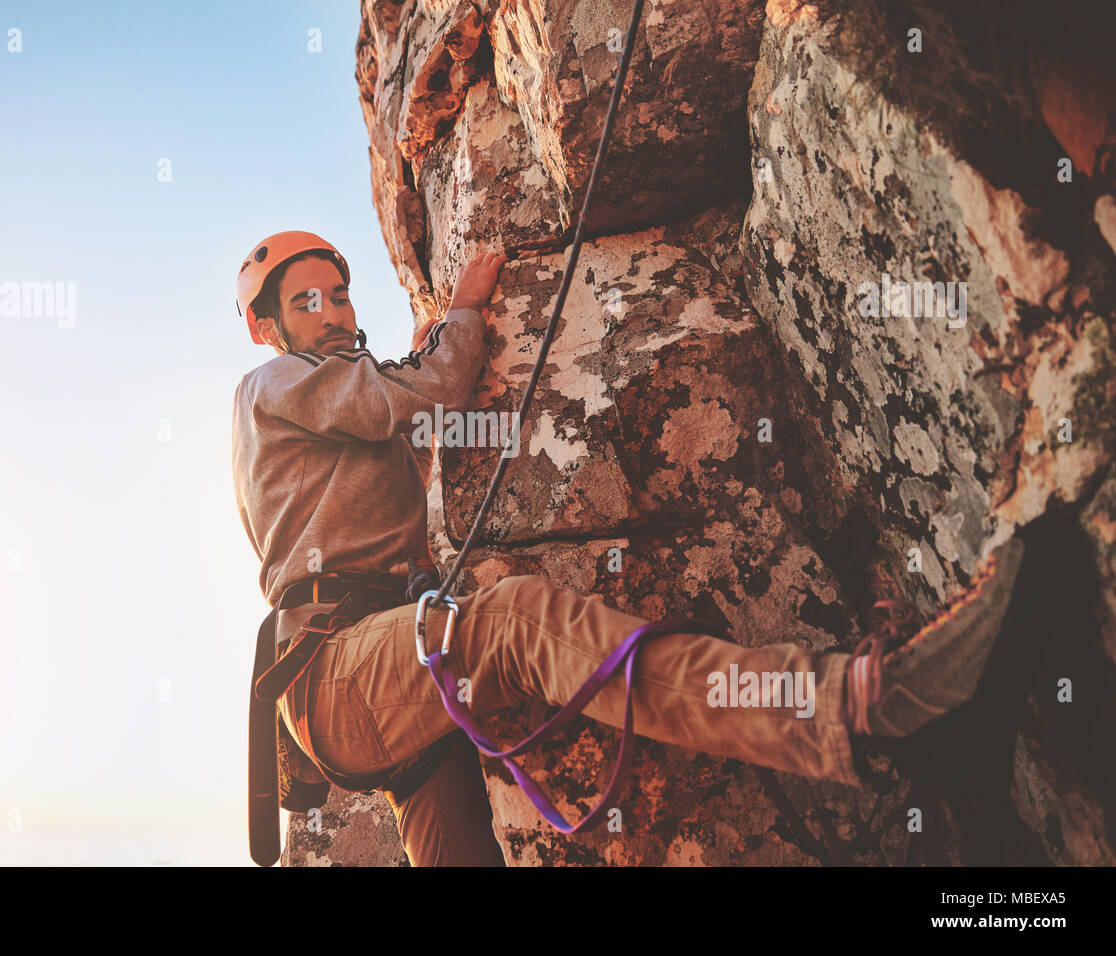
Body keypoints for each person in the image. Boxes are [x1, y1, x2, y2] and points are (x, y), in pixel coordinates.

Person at [231, 230, 1026, 867]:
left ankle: (937, 748)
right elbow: (421, 394)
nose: (334, 312)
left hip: (375, 679)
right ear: (267, 326)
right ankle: (851, 707)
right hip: (340, 671)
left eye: (338, 295)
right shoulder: (271, 386)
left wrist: (430, 353)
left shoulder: (331, 398)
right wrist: (461, 318)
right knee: (509, 623)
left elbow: (420, 426)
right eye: (308, 303)